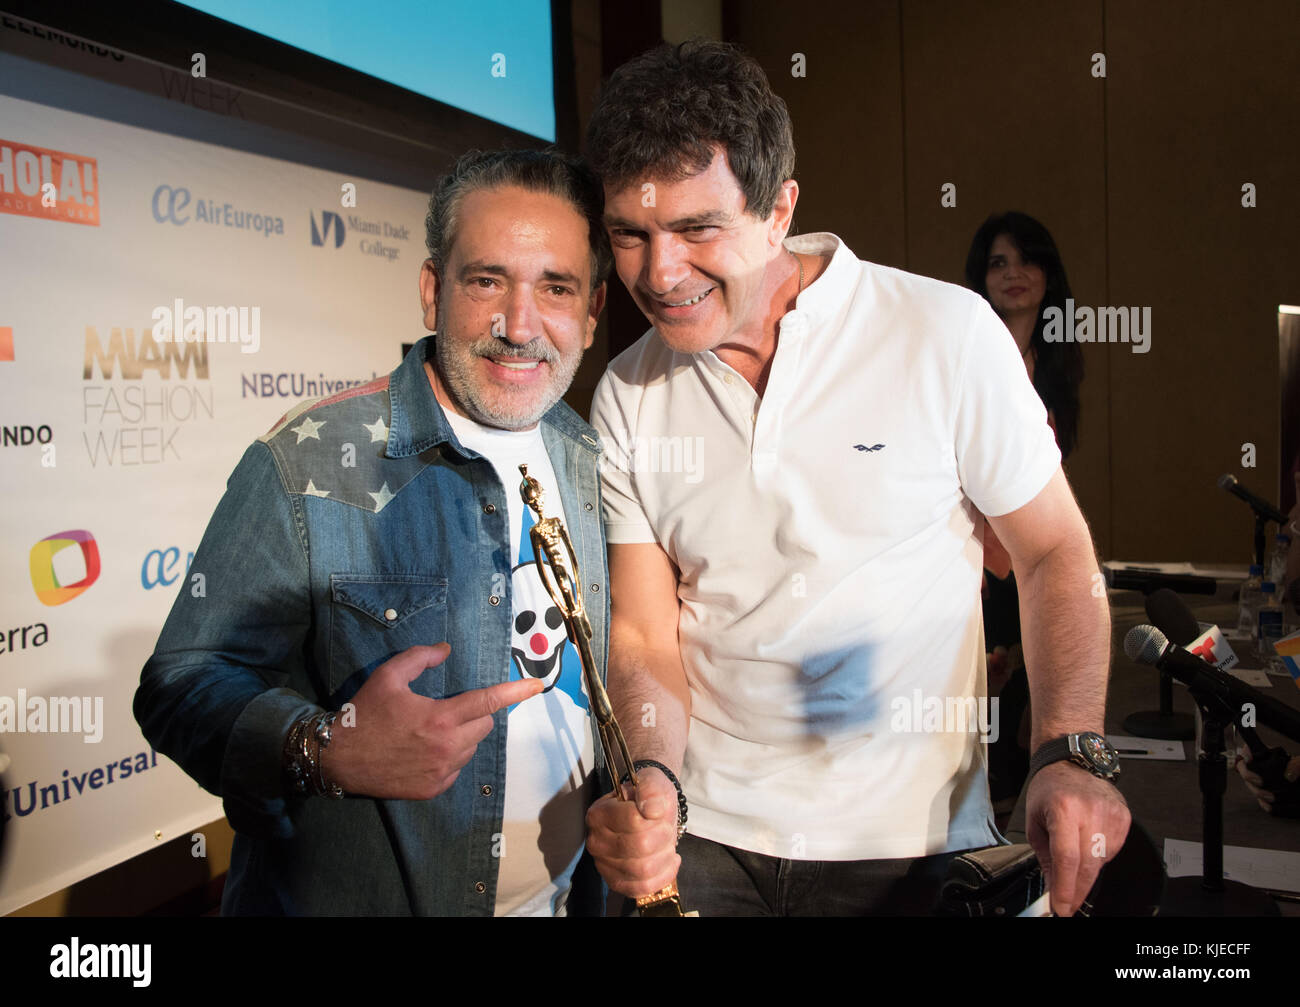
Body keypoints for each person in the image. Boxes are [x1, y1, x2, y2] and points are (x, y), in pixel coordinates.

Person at [582, 39, 1130, 917]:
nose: (659, 272)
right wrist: (650, 773)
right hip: (707, 839)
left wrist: (1071, 748)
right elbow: (647, 634)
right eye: (630, 234)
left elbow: (1053, 550)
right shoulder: (627, 389)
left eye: (696, 229)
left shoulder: (942, 332)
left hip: (911, 845)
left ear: (779, 210)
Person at [134, 148, 611, 915]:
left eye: (556, 288)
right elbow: (179, 683)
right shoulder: (308, 459)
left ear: (590, 314)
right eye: (486, 280)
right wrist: (325, 749)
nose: (520, 325)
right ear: (433, 290)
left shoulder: (588, 453)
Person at [964, 213, 1085, 812]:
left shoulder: (1057, 366)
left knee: (1020, 733)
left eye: (1026, 259)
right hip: (969, 570)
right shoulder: (966, 355)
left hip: (1028, 564)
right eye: (997, 262)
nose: (1013, 273)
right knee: (972, 730)